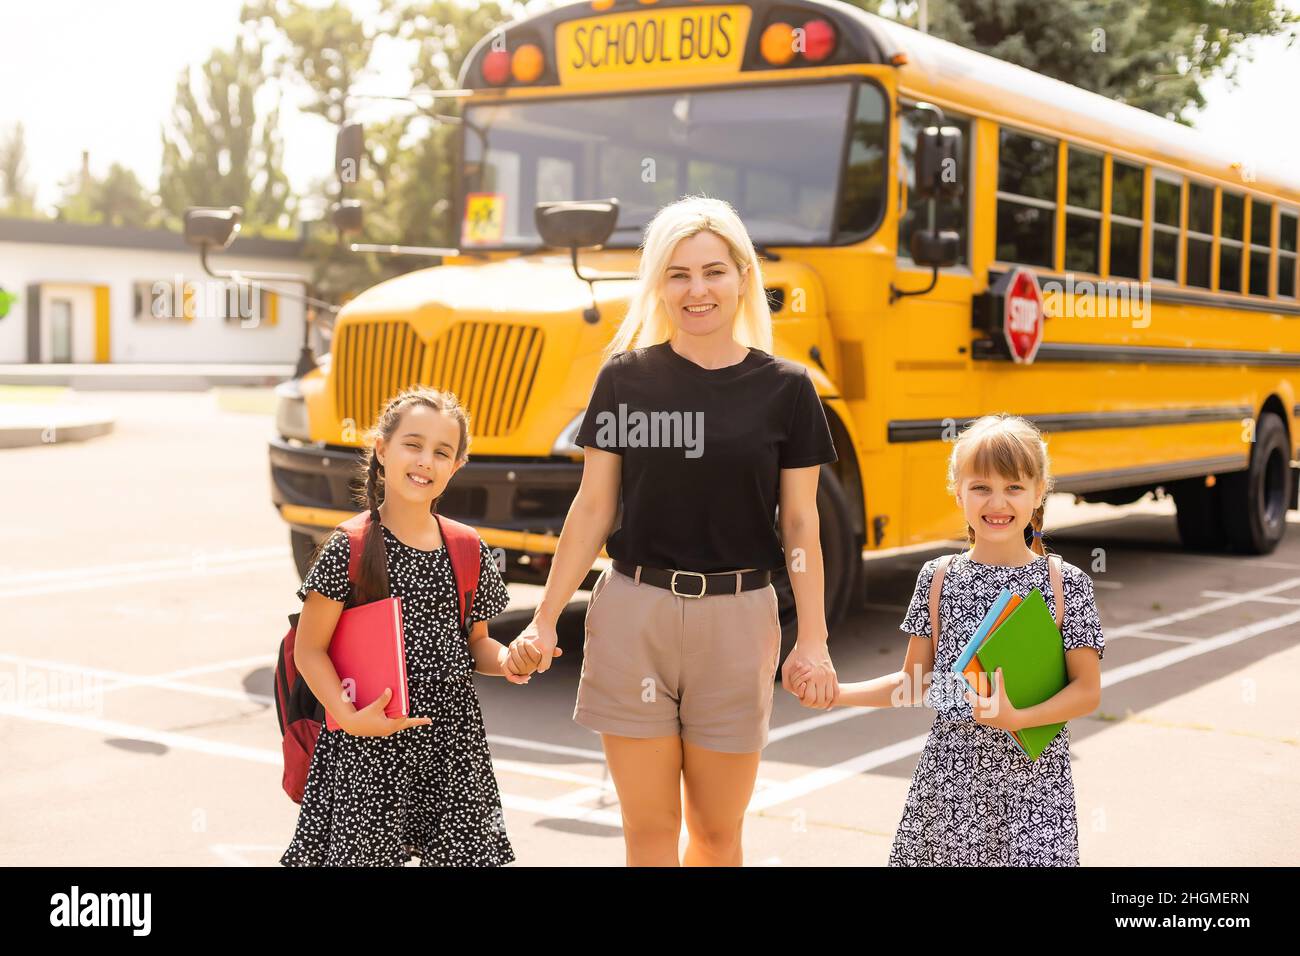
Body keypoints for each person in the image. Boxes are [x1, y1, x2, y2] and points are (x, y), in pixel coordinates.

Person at [507, 194, 841, 866]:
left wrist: (813, 638)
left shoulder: (788, 390)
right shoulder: (625, 380)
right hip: (635, 616)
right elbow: (593, 507)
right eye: (678, 273)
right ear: (658, 284)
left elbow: (801, 524)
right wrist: (543, 620)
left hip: (740, 621)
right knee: (650, 837)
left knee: (717, 838)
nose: (697, 290)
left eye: (713, 271)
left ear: (743, 277)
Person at [803, 414, 1104, 865]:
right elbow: (914, 683)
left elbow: (1087, 690)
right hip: (947, 794)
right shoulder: (939, 578)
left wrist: (1017, 717)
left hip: (1036, 798)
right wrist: (835, 695)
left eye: (1014, 488)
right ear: (958, 490)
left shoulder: (1065, 583)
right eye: (981, 487)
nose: (997, 502)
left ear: (1039, 492)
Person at [281, 386, 522, 867]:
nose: (425, 461)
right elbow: (309, 651)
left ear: (456, 466)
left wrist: (511, 660)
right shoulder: (349, 546)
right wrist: (349, 717)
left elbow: (477, 645)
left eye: (442, 452)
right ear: (382, 449)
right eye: (413, 444)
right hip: (366, 748)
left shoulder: (467, 547)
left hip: (451, 749)